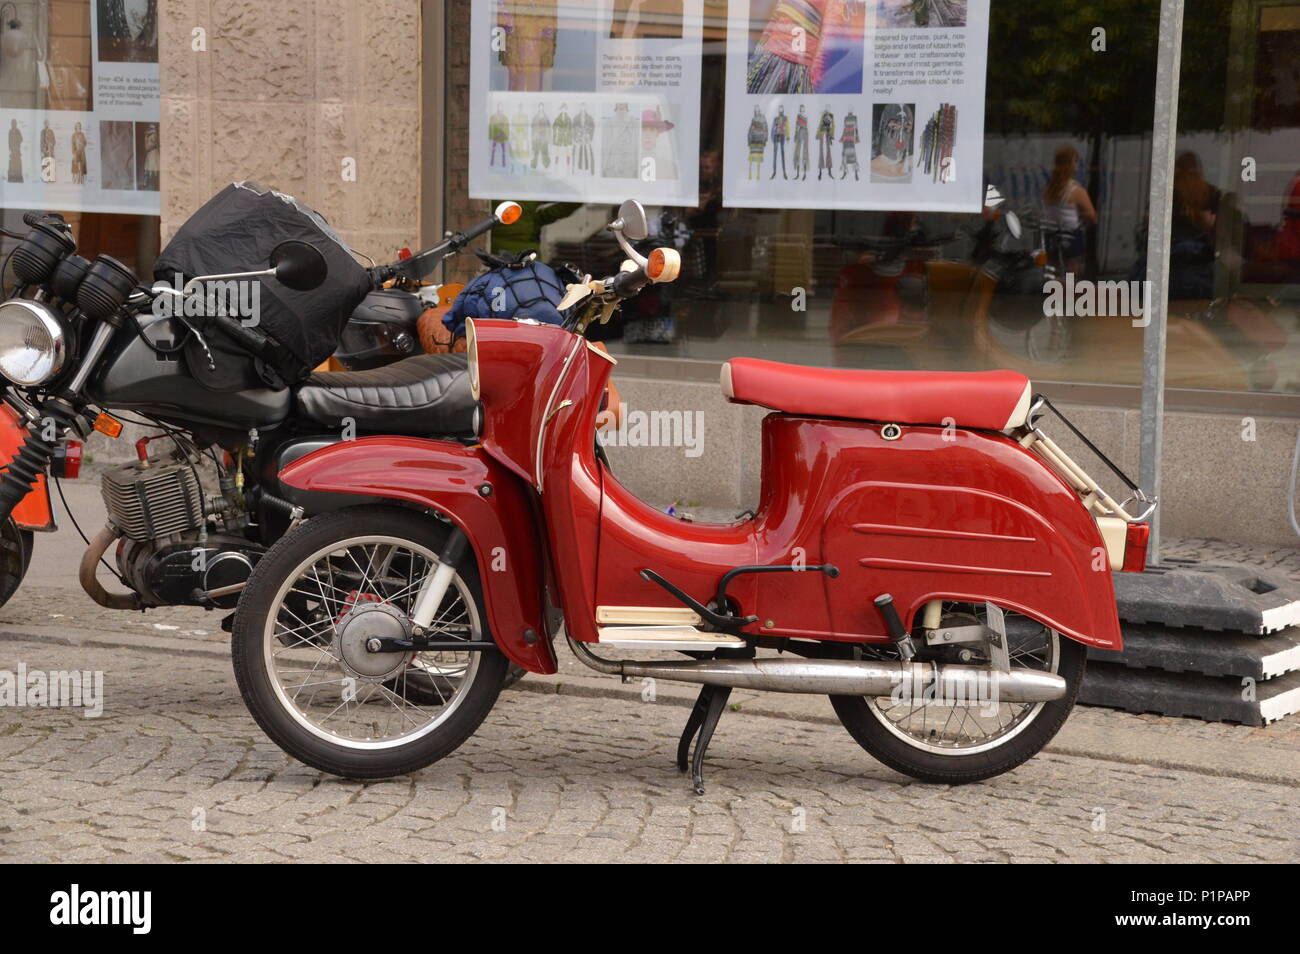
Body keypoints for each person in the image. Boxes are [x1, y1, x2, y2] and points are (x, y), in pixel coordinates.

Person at [1041, 145, 1097, 275]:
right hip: (1070, 236)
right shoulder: (1076, 190)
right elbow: (1092, 217)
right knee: (1072, 276)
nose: (1077, 165)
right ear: (1071, 165)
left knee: (1053, 276)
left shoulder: (1047, 189)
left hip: (1050, 236)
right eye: (1075, 161)